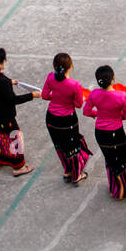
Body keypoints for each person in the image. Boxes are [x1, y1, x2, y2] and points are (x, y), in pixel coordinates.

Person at [0, 48, 37, 175]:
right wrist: (32, 95)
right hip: (4, 116)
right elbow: (13, 100)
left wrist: (9, 82)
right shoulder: (2, 82)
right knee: (15, 138)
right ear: (0, 63)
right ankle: (18, 166)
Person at [83, 65, 126, 200]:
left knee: (110, 159)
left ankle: (114, 188)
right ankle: (125, 189)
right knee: (123, 159)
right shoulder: (121, 95)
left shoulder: (94, 94)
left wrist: (98, 114)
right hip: (116, 133)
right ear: (113, 79)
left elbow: (86, 111)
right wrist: (116, 117)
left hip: (100, 133)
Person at [41, 52, 90, 184]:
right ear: (70, 67)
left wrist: (56, 97)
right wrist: (67, 100)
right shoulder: (75, 85)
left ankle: (67, 170)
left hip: (51, 118)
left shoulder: (50, 77)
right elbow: (79, 104)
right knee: (72, 146)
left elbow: (45, 95)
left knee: (60, 145)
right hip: (67, 120)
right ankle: (76, 174)